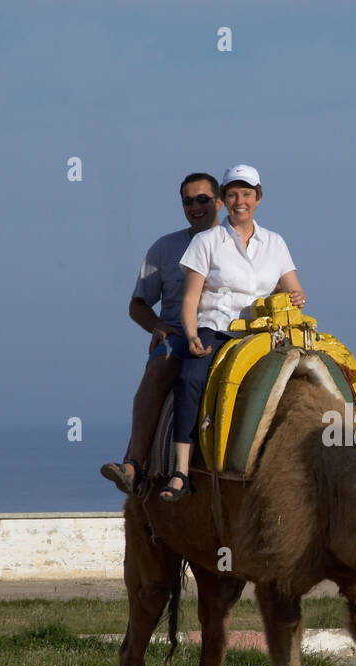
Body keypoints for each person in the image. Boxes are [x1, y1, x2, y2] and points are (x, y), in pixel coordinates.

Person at [157, 164, 305, 500]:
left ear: (258, 198)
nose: (241, 201)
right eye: (234, 194)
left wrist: (296, 295)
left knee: (324, 368)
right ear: (224, 199)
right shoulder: (208, 242)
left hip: (265, 331)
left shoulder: (275, 242)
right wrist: (193, 335)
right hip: (218, 327)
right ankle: (181, 469)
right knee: (189, 379)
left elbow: (295, 289)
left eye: (247, 194)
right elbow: (191, 297)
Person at [100, 172, 223, 495]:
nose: (195, 206)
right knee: (160, 365)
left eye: (203, 199)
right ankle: (134, 463)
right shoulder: (165, 248)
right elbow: (137, 305)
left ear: (219, 202)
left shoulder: (238, 244)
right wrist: (156, 326)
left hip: (230, 335)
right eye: (188, 201)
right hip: (181, 337)